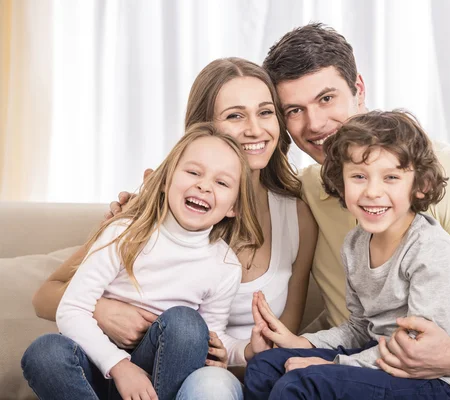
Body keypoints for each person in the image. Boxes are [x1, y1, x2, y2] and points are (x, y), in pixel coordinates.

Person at [259, 23, 450, 398]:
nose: (315, 124)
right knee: (265, 370)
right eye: (294, 110)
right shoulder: (307, 190)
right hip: (360, 370)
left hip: (445, 383)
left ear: (358, 90)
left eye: (326, 99)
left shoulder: (446, 174)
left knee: (304, 382)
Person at [30, 58, 318, 400]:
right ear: (203, 128)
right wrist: (104, 311)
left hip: (217, 377)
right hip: (121, 362)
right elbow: (49, 295)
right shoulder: (156, 206)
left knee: (204, 368)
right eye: (235, 115)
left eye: (266, 112)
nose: (255, 129)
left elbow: (279, 343)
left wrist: (237, 356)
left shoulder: (298, 216)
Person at [244, 110, 450, 399]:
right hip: (382, 356)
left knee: (301, 383)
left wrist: (332, 365)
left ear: (420, 186)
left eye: (391, 177)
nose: (372, 192)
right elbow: (360, 328)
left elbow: (417, 348)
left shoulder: (431, 250)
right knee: (263, 367)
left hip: (438, 381)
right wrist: (303, 343)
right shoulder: (355, 245)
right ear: (340, 183)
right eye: (358, 176)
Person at [22, 123, 263, 400]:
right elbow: (71, 310)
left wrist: (246, 350)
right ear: (164, 181)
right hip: (98, 367)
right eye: (193, 172)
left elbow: (212, 339)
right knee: (45, 352)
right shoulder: (124, 232)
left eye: (221, 183)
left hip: (160, 377)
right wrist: (121, 367)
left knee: (186, 324)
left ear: (234, 206)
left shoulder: (224, 265)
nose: (204, 185)